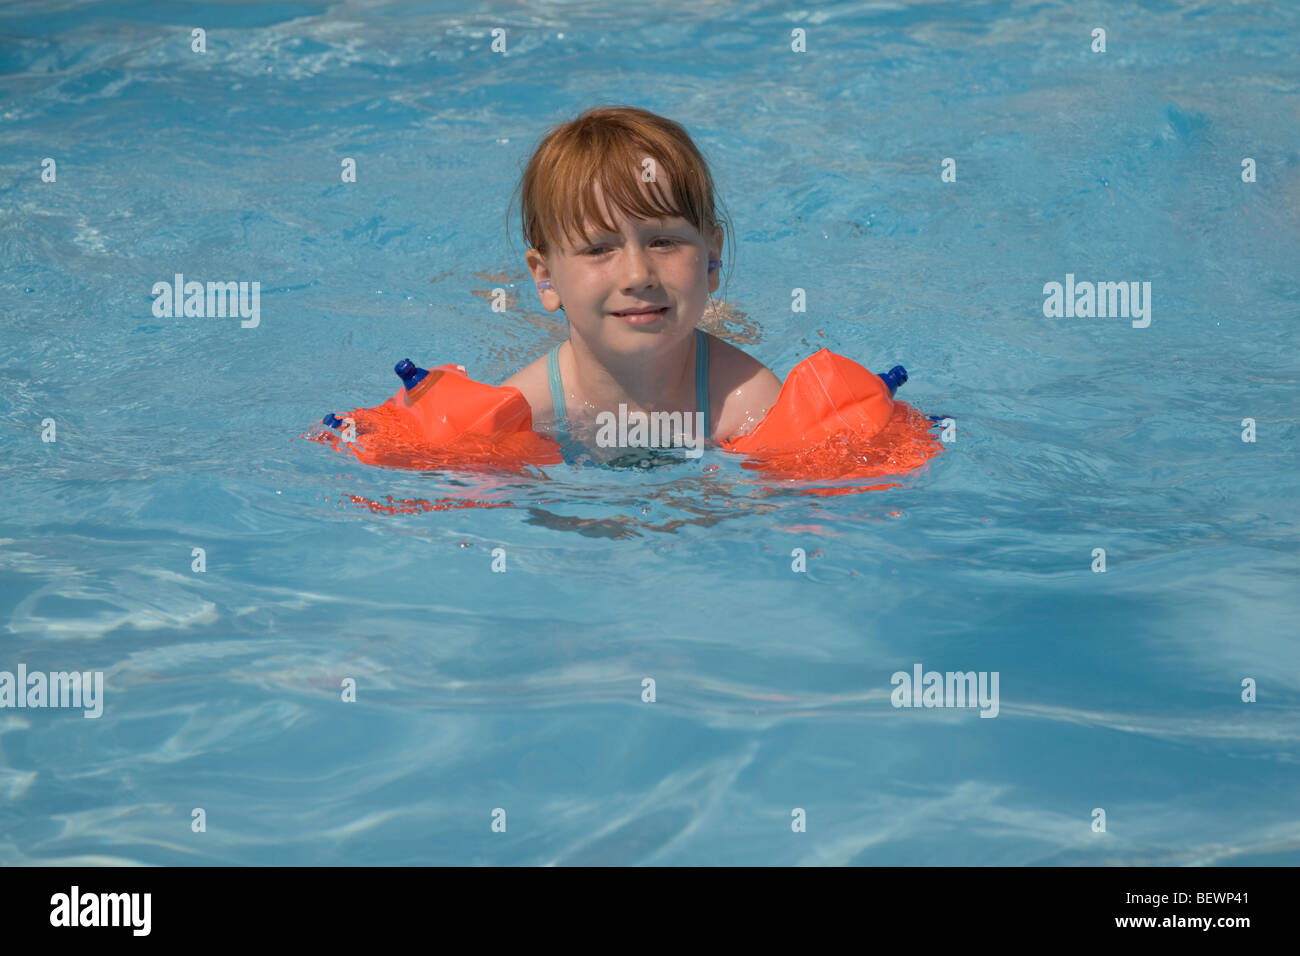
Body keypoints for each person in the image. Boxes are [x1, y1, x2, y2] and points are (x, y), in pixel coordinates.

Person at [501, 106, 782, 457]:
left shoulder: (749, 403)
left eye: (663, 242)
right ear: (546, 278)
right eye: (598, 249)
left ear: (712, 260)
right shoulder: (523, 413)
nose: (637, 276)